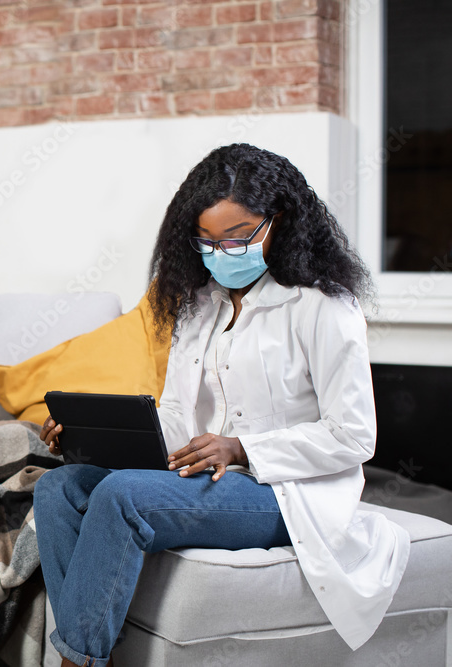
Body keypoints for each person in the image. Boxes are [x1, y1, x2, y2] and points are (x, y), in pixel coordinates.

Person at [34, 143, 410, 667]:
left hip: (285, 493)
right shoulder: (197, 305)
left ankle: (74, 662)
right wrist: (90, 437)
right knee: (57, 488)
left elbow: (354, 436)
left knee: (121, 495)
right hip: (204, 478)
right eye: (207, 241)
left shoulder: (323, 307)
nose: (221, 253)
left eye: (238, 238)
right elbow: (174, 418)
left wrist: (242, 449)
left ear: (280, 222)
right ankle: (96, 647)